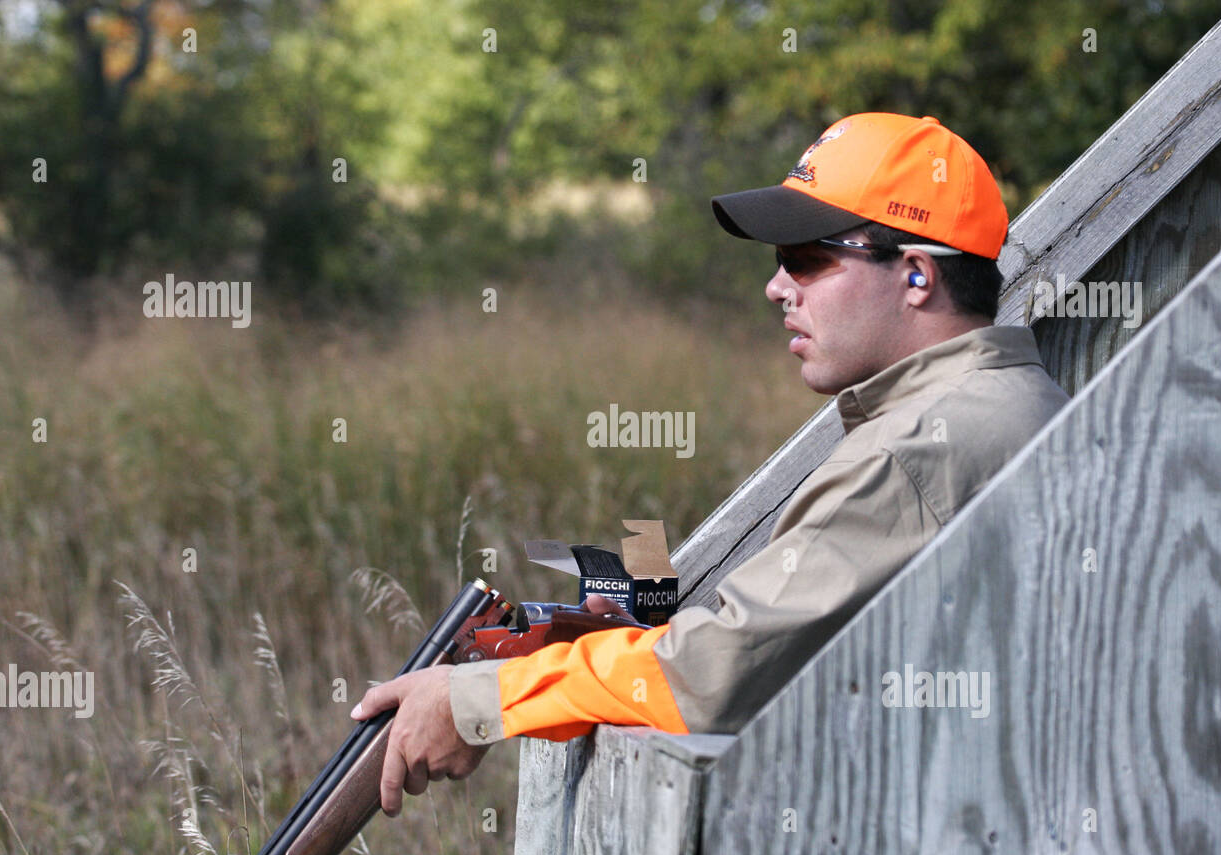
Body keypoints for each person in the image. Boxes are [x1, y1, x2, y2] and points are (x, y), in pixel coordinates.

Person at [352, 112, 1070, 816]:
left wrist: (480, 698)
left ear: (916, 275)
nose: (777, 287)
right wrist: (626, 649)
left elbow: (712, 676)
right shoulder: (1006, 405)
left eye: (807, 257)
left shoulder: (914, 452)